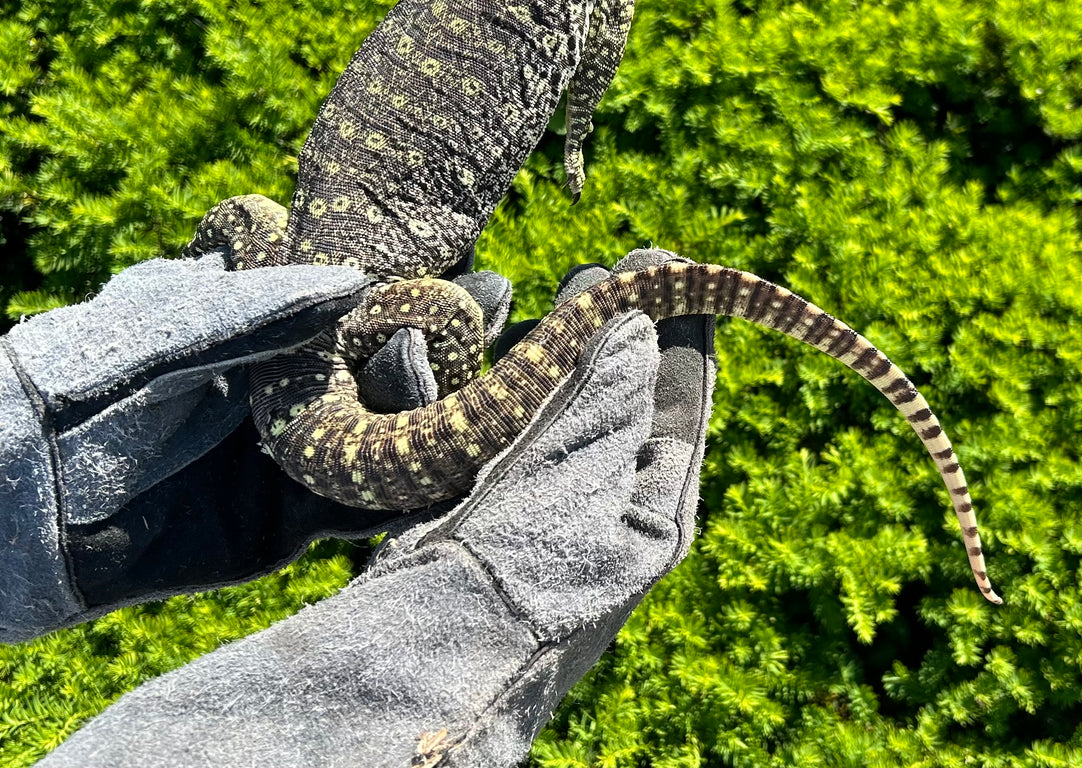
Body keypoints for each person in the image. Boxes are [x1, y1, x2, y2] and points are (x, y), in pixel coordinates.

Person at [1, 236, 717, 766]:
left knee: (455, 331)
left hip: (321, 362)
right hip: (322, 366)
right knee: (458, 331)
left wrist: (22, 490)